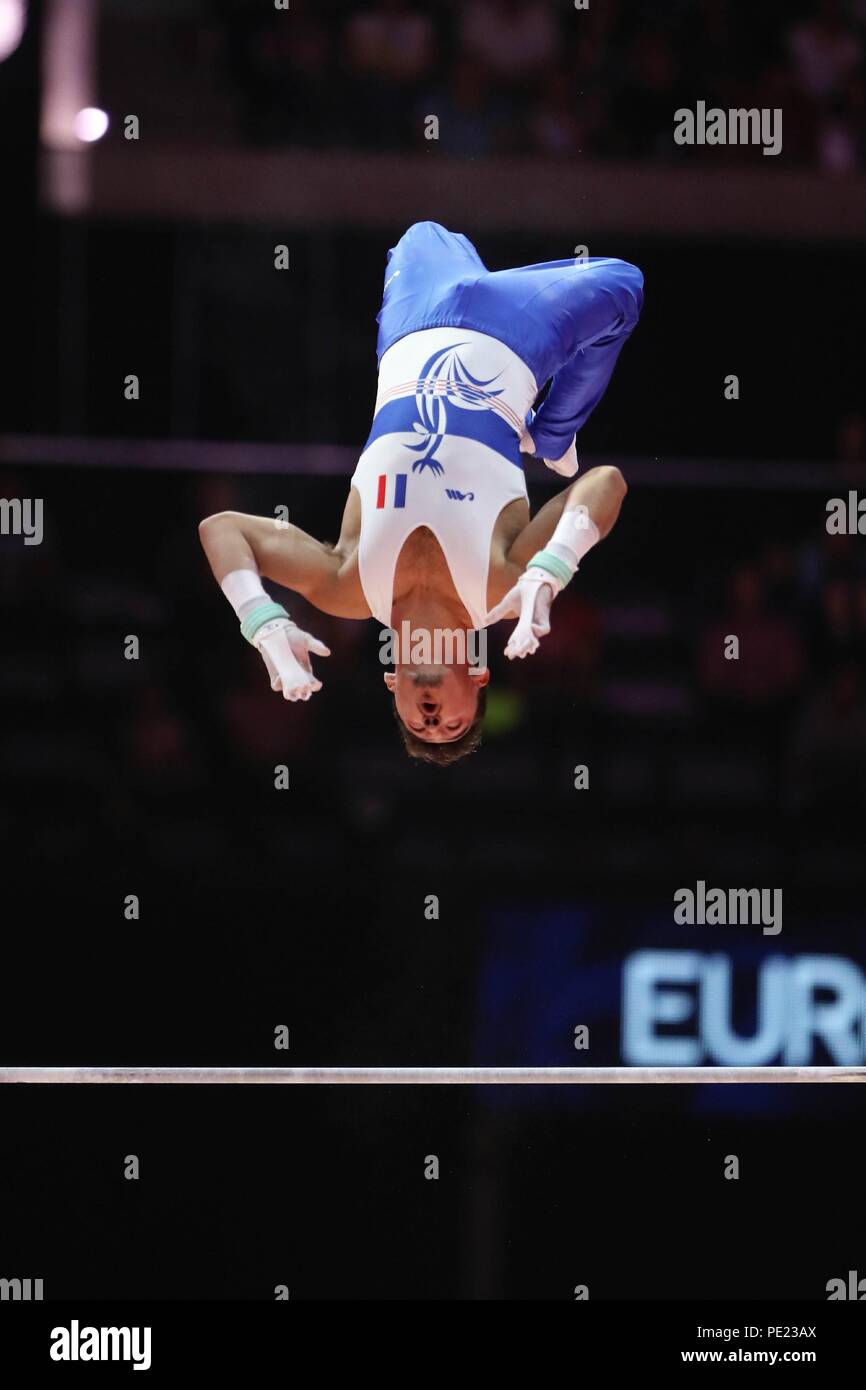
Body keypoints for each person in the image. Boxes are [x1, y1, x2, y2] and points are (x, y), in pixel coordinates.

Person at [199, 221, 643, 764]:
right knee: (624, 286)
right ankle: (552, 430)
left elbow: (221, 529)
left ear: (393, 687)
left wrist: (262, 623)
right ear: (479, 677)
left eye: (418, 723)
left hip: (413, 325)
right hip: (516, 336)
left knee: (421, 229)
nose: (432, 718)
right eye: (451, 723)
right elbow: (605, 483)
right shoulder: (505, 588)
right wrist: (551, 569)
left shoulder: (350, 586)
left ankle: (551, 429)